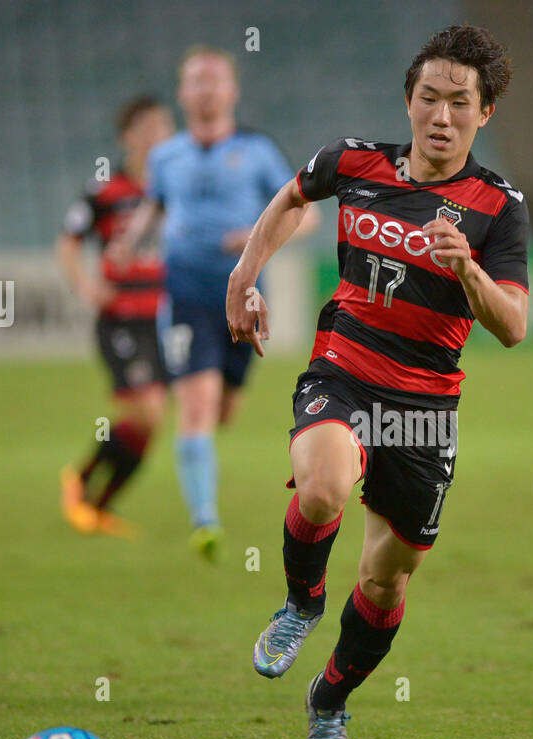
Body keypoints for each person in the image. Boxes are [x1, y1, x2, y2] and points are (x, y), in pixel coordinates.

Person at [227, 25, 530, 739]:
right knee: (323, 486)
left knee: (388, 579)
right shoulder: (356, 161)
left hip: (425, 408)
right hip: (344, 368)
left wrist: (467, 270)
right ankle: (302, 602)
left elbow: (514, 324)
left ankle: (329, 697)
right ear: (408, 99)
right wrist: (245, 273)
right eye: (429, 98)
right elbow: (296, 196)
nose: (441, 116)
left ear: (484, 113)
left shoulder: (497, 207)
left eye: (460, 103)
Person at [111, 46, 317, 559]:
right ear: (183, 94)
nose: (204, 90)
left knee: (224, 409)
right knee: (196, 408)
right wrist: (128, 245)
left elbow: (305, 215)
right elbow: (154, 210)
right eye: (195, 81)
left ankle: (203, 480)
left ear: (232, 91)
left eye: (214, 80)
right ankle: (205, 520)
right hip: (183, 297)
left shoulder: (258, 151)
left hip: (244, 301)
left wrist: (255, 236)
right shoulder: (165, 157)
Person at [58, 95, 174, 538]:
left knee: (152, 420)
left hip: (161, 321)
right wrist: (87, 286)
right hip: (121, 319)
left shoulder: (173, 190)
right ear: (128, 137)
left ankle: (96, 503)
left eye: (165, 128)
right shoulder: (105, 189)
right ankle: (83, 481)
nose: (158, 137)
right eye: (148, 128)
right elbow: (67, 243)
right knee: (146, 410)